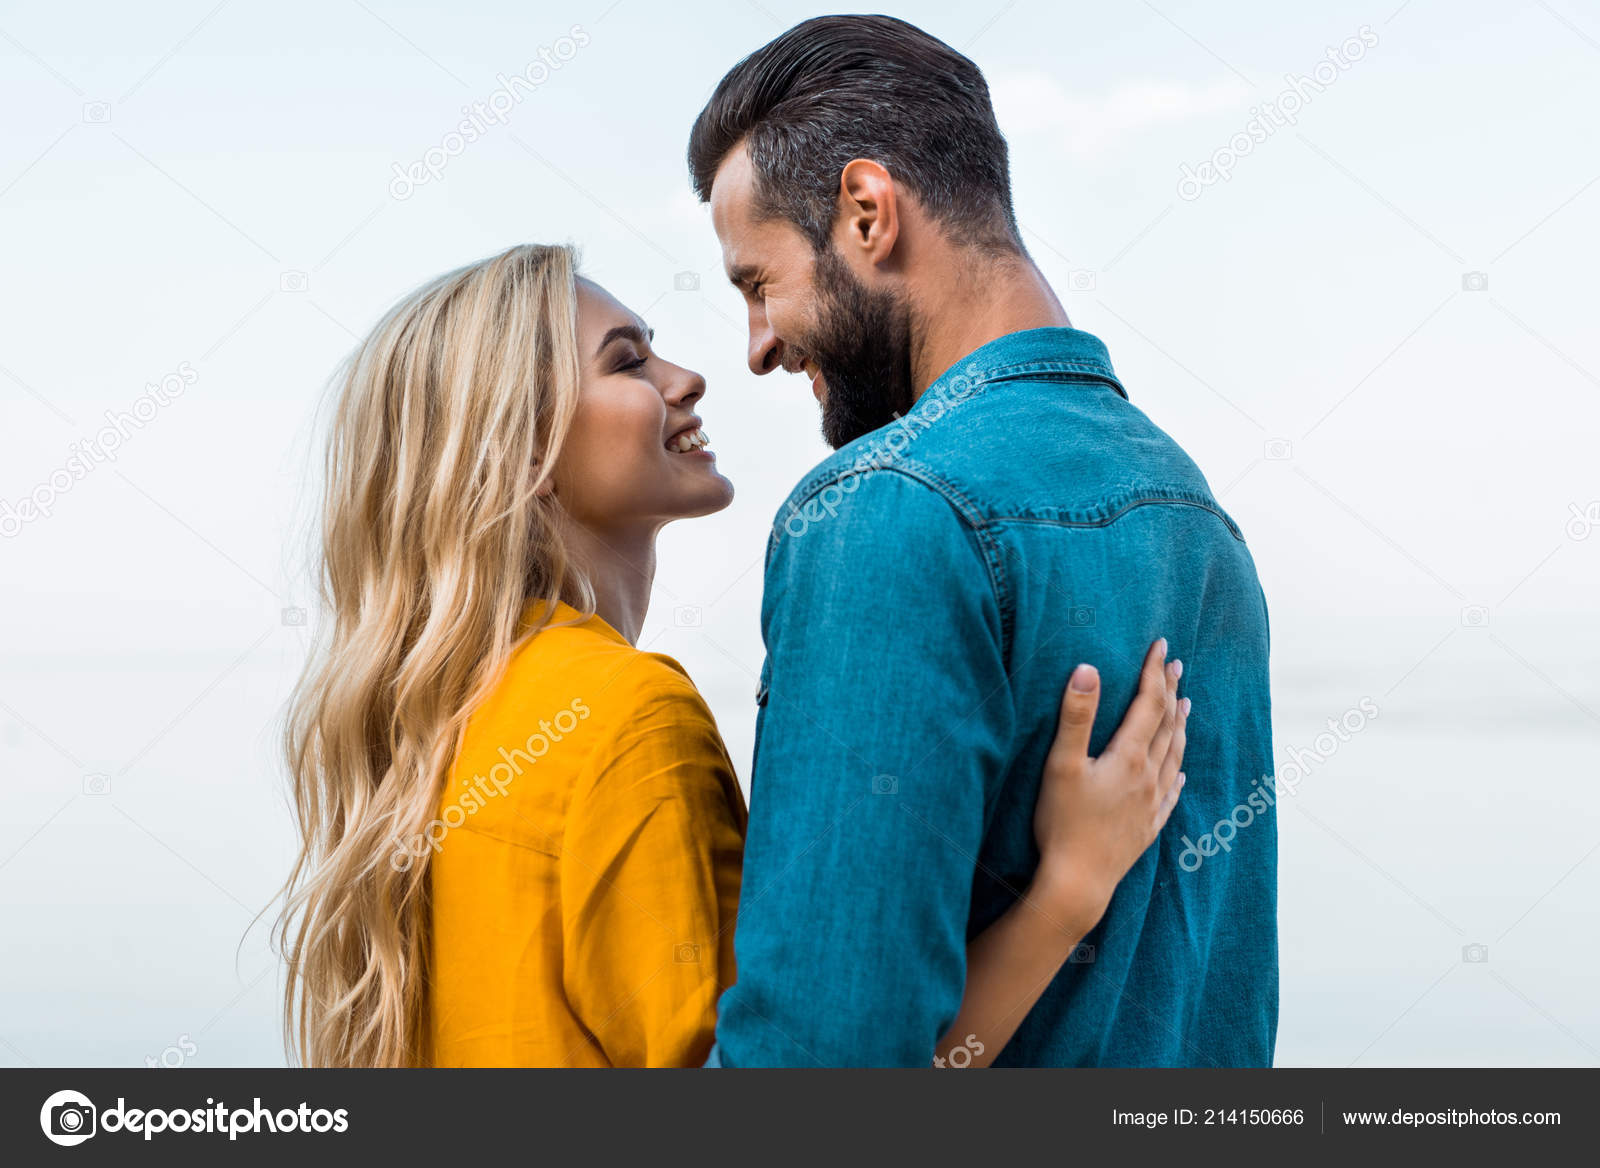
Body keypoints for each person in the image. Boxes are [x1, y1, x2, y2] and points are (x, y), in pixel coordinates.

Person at [275, 243, 1189, 1067]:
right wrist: (1068, 888)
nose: (688, 378)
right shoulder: (622, 712)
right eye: (630, 362)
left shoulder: (446, 724)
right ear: (519, 453)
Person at [689, 15, 1276, 1067]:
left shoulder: (884, 510)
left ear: (867, 213)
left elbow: (824, 1066)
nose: (758, 346)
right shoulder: (1201, 525)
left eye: (755, 283)